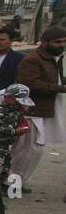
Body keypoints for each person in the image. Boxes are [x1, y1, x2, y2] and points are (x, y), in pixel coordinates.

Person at [12, 25, 66, 192]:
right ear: (44, 42)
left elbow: (55, 79)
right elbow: (30, 85)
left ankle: (16, 179)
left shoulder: (54, 59)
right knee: (29, 148)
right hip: (31, 110)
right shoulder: (32, 60)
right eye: (58, 42)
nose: (61, 45)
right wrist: (59, 88)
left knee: (33, 148)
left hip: (43, 110)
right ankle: (11, 180)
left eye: (64, 42)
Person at [0, 84, 34, 188]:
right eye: (18, 101)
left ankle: (0, 188)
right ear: (8, 97)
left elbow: (20, 118)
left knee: (4, 170)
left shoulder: (15, 111)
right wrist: (14, 131)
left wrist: (22, 118)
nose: (20, 104)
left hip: (5, 147)